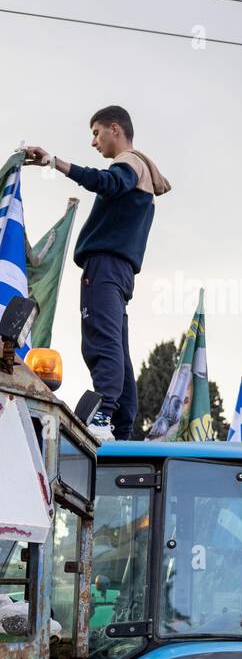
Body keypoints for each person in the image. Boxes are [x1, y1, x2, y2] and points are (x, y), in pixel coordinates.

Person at [24, 106, 171, 442]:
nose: (93, 142)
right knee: (117, 344)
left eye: (95, 132)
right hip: (119, 271)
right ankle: (121, 426)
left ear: (114, 129)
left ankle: (103, 416)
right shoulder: (142, 170)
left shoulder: (129, 164)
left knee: (101, 339)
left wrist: (53, 162)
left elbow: (104, 181)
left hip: (104, 266)